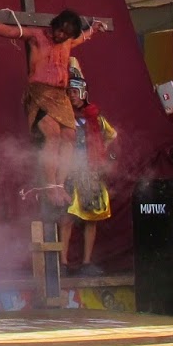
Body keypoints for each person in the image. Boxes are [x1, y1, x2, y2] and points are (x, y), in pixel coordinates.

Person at [0, 6, 109, 196]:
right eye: (60, 30)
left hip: (61, 95)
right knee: (52, 136)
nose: (61, 36)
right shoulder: (37, 36)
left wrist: (93, 29)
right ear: (55, 25)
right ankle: (51, 186)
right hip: (40, 92)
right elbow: (11, 31)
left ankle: (60, 185)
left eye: (66, 34)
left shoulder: (68, 41)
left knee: (69, 137)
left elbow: (82, 37)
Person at [60, 67, 118, 274]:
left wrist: (100, 153)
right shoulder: (63, 118)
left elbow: (111, 135)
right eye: (69, 92)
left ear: (83, 93)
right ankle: (63, 263)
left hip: (91, 171)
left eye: (75, 92)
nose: (72, 96)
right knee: (66, 218)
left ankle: (86, 263)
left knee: (91, 218)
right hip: (70, 171)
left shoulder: (95, 117)